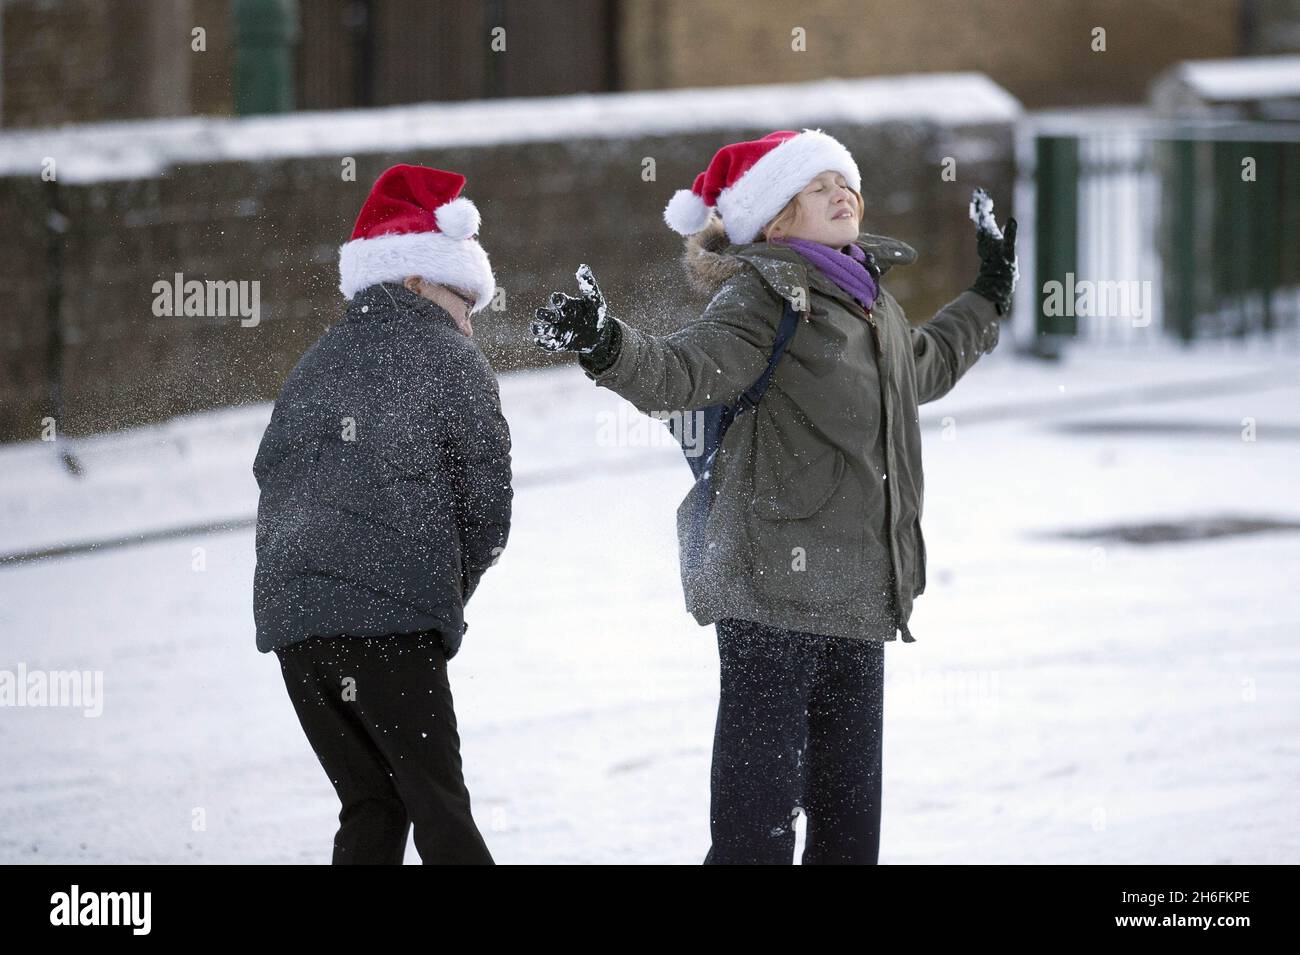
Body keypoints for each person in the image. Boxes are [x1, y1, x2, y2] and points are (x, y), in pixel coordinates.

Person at [530, 128, 1017, 864]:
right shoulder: (763, 297)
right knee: (755, 841)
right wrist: (605, 343)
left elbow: (930, 362)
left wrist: (990, 292)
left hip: (860, 599)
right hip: (771, 602)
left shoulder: (870, 306)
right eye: (817, 187)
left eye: (845, 182)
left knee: (850, 838)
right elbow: (680, 372)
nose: (841, 193)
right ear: (774, 222)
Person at [253, 163, 512, 864]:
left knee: (373, 803)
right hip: (388, 624)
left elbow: (271, 474)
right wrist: (433, 598)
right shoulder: (447, 356)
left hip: (295, 627)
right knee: (439, 808)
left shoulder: (312, 361)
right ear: (416, 280)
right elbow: (487, 505)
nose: (469, 319)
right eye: (464, 299)